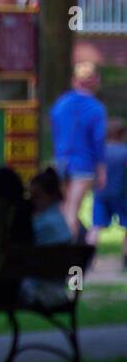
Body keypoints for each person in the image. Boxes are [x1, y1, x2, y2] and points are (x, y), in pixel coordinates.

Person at [49, 60, 108, 236]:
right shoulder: (96, 108)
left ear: (75, 80)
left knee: (63, 208)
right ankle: (68, 257)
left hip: (61, 161)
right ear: (95, 81)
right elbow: (98, 142)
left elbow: (54, 128)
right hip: (83, 165)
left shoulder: (61, 103)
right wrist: (101, 169)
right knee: (72, 212)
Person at [23, 168, 74, 308]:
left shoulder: (42, 225)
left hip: (39, 290)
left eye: (36, 197)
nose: (32, 202)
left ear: (52, 196)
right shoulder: (60, 222)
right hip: (55, 287)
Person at [91, 118, 127, 252]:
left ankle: (87, 258)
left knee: (95, 227)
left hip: (100, 194)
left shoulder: (99, 153)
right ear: (122, 134)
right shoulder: (124, 151)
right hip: (121, 195)